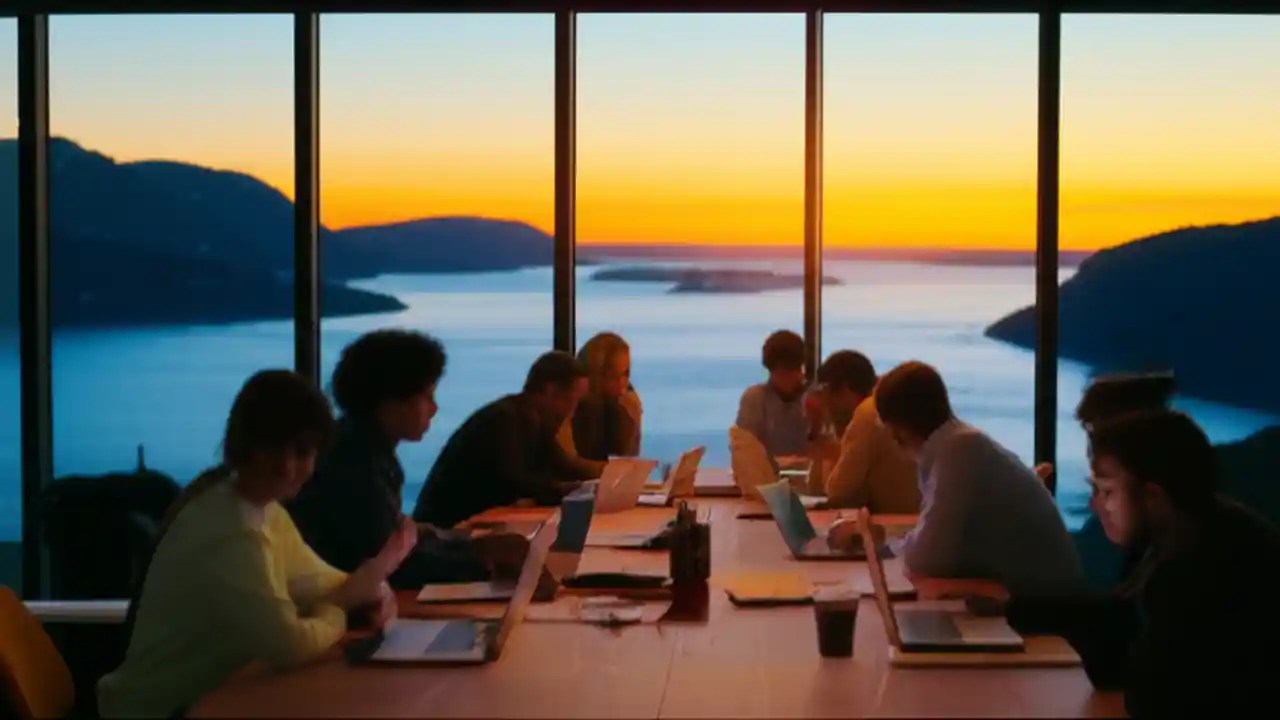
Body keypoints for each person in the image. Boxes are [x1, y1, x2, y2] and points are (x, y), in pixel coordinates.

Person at [99, 370, 408, 719]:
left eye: (303, 451)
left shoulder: (263, 510)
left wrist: (372, 590)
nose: (288, 466)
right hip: (162, 710)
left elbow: (326, 583)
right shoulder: (230, 531)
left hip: (211, 697)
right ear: (243, 444)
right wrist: (342, 606)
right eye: (273, 448)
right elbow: (288, 645)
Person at [1013, 410, 1280, 718]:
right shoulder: (1188, 532)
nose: (1094, 504)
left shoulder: (1203, 568)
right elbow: (1115, 617)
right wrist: (1009, 608)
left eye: (1107, 491)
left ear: (1153, 496)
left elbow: (1149, 695)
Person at [288, 330, 526, 591]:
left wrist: (474, 547)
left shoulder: (361, 448)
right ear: (391, 401)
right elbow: (394, 567)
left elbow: (396, 543)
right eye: (426, 396)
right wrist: (485, 561)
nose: (434, 409)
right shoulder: (356, 464)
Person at [875, 361, 1084, 597]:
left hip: (1047, 606)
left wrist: (883, 544)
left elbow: (928, 559)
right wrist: (889, 543)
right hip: (1032, 593)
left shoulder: (959, 450)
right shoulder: (957, 443)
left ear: (897, 428)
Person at [413, 350, 594, 528]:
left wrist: (609, 476)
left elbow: (564, 465)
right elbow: (513, 482)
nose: (572, 412)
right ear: (551, 391)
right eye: (572, 401)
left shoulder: (528, 417)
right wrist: (569, 490)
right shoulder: (506, 418)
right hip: (442, 533)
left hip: (466, 527)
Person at [807, 350, 919, 512]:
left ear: (844, 389)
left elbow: (836, 491)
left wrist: (822, 430)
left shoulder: (868, 414)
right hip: (913, 519)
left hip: (899, 524)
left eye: (826, 391)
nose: (826, 401)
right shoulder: (890, 404)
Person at [558, 332, 643, 476]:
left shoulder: (623, 404)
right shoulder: (570, 404)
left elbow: (628, 458)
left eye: (625, 373)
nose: (622, 382)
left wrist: (632, 420)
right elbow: (568, 464)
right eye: (613, 376)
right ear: (595, 375)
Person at [735, 329, 810, 458]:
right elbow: (743, 450)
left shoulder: (815, 398)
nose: (789, 379)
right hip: (766, 476)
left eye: (794, 370)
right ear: (770, 370)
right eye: (782, 373)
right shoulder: (755, 398)